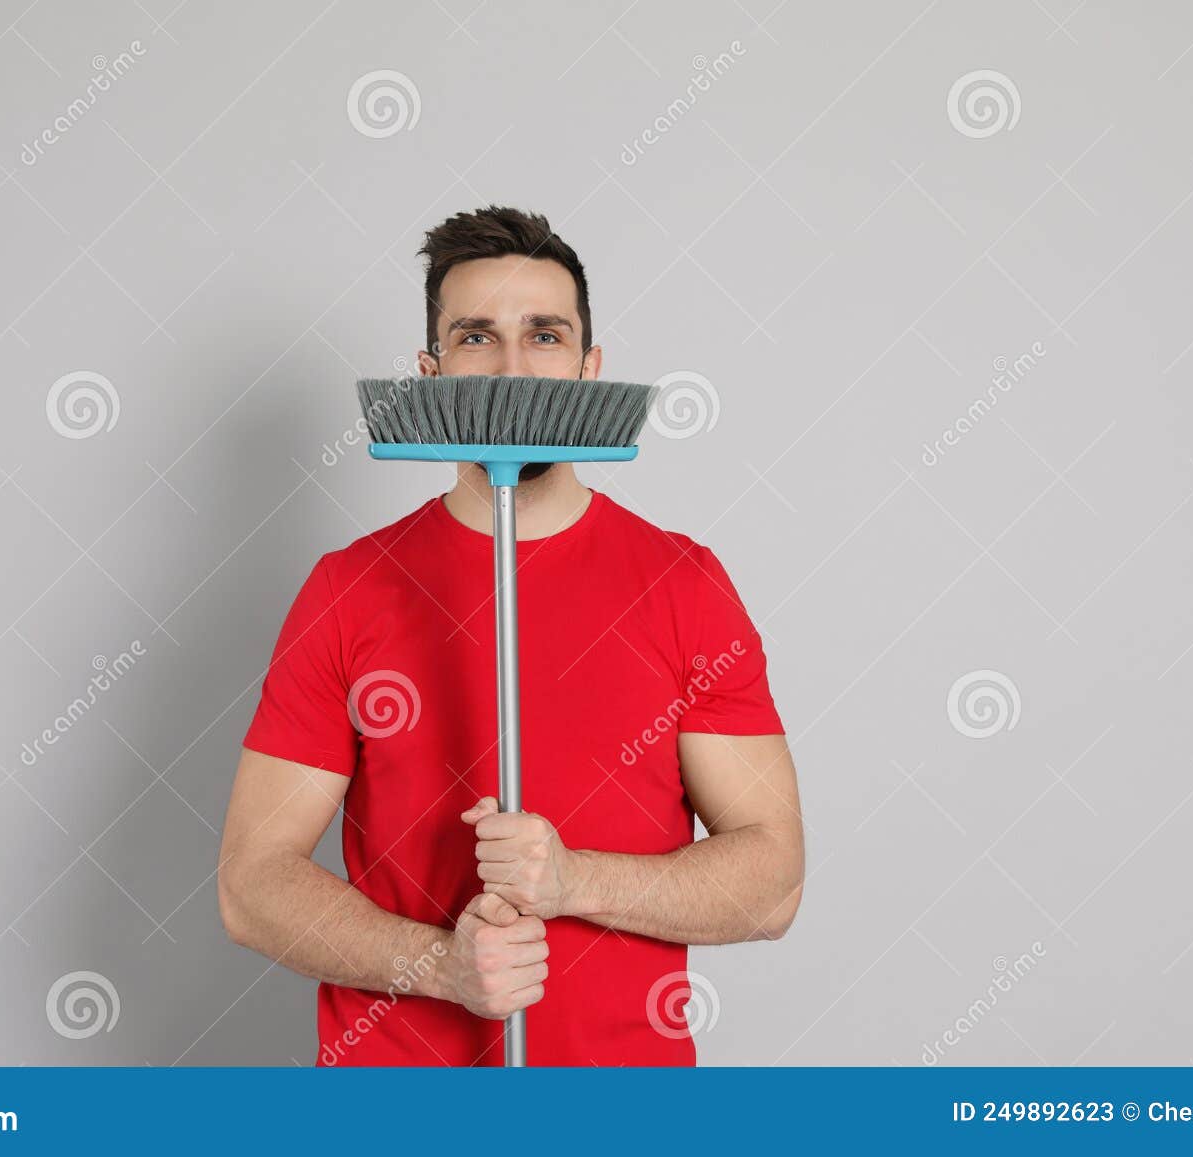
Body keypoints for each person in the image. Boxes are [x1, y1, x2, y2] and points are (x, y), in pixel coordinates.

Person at [218, 205, 804, 1065]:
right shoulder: (350, 589)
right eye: (475, 337)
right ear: (432, 371)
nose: (513, 366)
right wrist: (439, 967)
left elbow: (773, 880)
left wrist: (572, 881)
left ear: (589, 368)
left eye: (544, 334)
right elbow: (251, 883)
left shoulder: (685, 586)